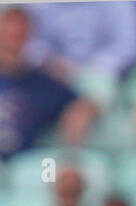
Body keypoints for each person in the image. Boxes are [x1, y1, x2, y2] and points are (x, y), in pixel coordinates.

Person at [0, 5, 96, 158]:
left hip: (23, 162)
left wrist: (72, 153)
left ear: (29, 35)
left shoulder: (41, 82)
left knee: (60, 169)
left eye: (19, 33)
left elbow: (82, 103)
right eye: (9, 32)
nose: (13, 37)